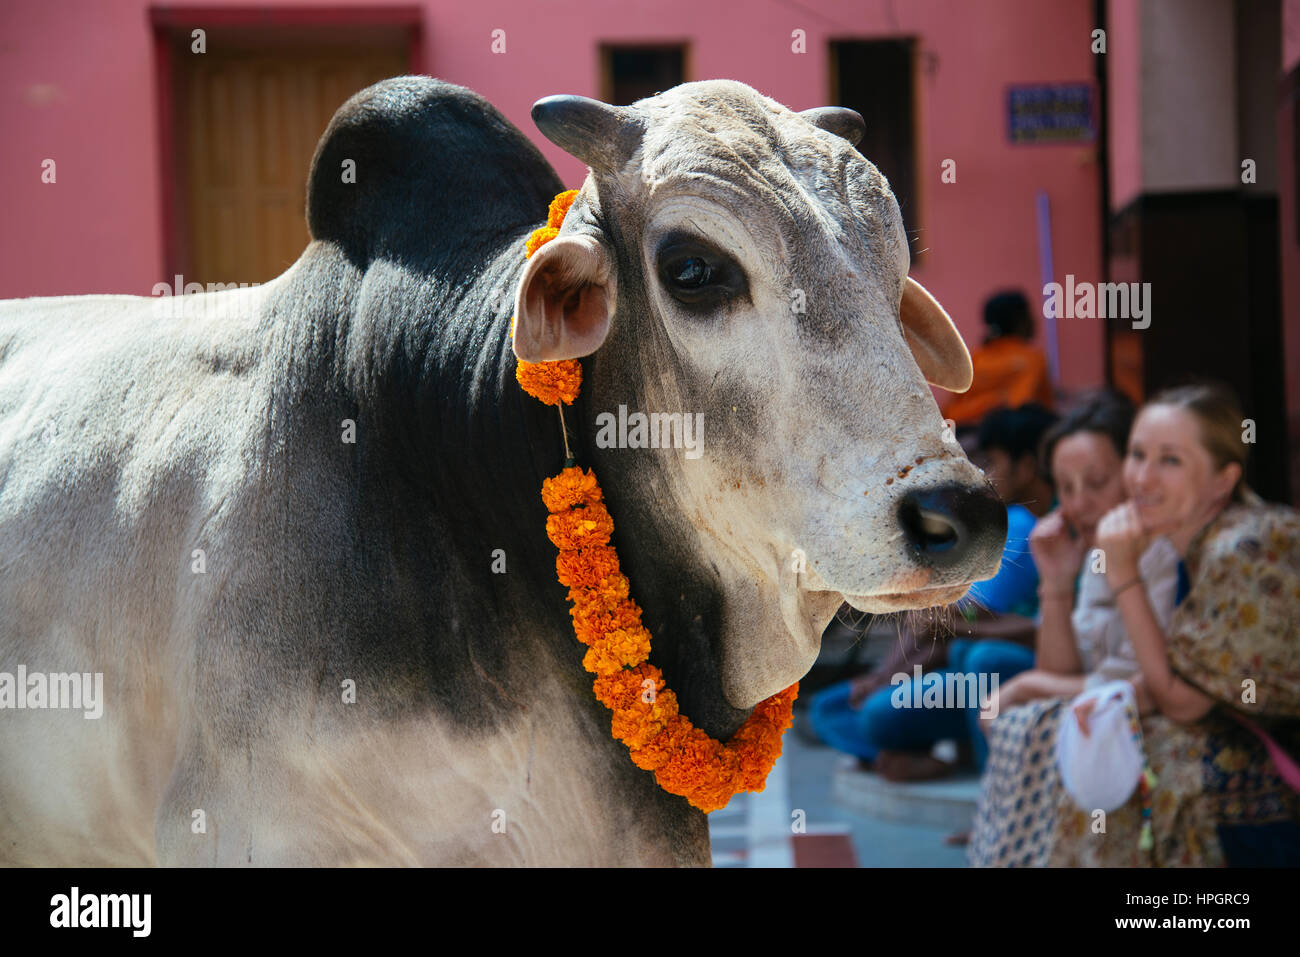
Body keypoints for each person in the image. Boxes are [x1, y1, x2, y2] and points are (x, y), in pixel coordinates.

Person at [1047, 383, 1300, 865]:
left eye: (1170, 460)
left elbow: (1182, 702)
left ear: (1222, 481)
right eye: (1138, 454)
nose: (1141, 477)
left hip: (1275, 766)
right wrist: (1118, 696)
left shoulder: (1245, 548)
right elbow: (1191, 677)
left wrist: (1122, 573)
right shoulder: (1198, 547)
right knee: (1098, 730)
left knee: (1157, 753)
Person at [966, 390, 1181, 865]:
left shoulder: (1165, 553)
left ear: (1136, 472)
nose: (1079, 503)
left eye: (1097, 482)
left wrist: (1033, 685)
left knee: (1019, 708)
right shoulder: (1099, 552)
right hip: (1105, 698)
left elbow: (1153, 682)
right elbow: (1062, 664)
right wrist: (1057, 582)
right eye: (1066, 487)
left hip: (1149, 708)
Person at [807, 404, 1058, 781]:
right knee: (830, 708)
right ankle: (902, 750)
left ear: (1026, 466)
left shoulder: (1021, 523)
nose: (978, 474)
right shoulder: (997, 524)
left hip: (985, 673)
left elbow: (953, 625)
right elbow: (937, 623)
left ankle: (916, 752)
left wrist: (884, 679)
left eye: (990, 461)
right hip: (965, 672)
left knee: (872, 710)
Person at [941, 291, 1054, 428]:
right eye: (1029, 315)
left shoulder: (973, 359)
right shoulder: (1032, 359)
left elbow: (948, 410)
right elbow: (1024, 405)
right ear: (1020, 321)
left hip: (960, 432)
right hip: (1009, 435)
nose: (1035, 320)